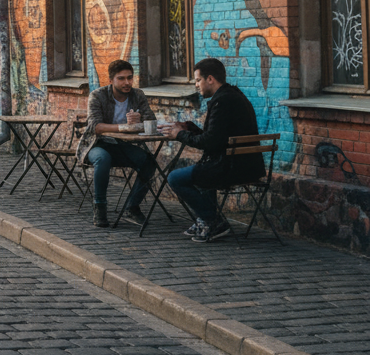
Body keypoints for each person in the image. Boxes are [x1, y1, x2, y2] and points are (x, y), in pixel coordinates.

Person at [164, 58, 265, 244]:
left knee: (174, 178)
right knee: (202, 175)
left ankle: (213, 220)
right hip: (245, 165)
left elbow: (210, 142)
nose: (196, 85)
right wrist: (190, 128)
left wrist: (179, 135)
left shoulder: (222, 102)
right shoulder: (232, 96)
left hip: (232, 168)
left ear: (210, 79)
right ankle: (206, 221)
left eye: (197, 80)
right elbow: (217, 137)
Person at [75, 59, 157, 228]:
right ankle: (100, 207)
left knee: (149, 162)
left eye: (130, 78)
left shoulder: (138, 95)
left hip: (123, 146)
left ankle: (132, 207)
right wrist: (125, 127)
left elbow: (151, 120)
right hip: (97, 144)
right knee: (103, 159)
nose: (127, 82)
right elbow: (95, 127)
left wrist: (139, 120)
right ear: (111, 80)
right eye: (121, 78)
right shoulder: (98, 95)